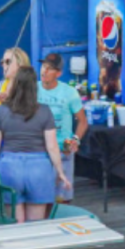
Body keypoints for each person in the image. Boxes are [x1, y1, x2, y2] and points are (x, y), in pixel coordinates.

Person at [0, 67, 70, 249]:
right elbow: (52, 146)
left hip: (10, 167)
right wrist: (61, 172)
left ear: (14, 86)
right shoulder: (44, 112)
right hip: (39, 169)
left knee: (15, 225)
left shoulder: (2, 111)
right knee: (36, 227)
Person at [37, 53, 87, 203]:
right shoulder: (33, 89)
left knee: (63, 199)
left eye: (50, 68)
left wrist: (75, 140)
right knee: (40, 198)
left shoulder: (69, 93)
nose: (44, 71)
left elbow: (83, 121)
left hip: (62, 149)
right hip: (39, 151)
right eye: (43, 66)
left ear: (58, 73)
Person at [0, 47, 32, 117]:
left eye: (8, 62)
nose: (4, 65)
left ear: (21, 64)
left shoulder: (31, 88)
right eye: (2, 62)